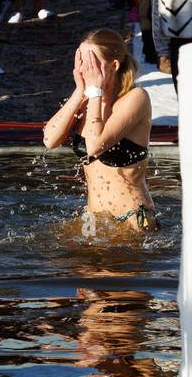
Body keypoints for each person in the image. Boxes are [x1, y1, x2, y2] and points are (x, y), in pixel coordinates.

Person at [42, 29, 156, 234]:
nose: (85, 68)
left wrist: (94, 92)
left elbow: (95, 146)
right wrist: (79, 92)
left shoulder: (136, 98)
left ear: (114, 65)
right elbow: (49, 140)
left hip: (131, 219)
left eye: (91, 62)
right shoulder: (85, 99)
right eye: (81, 60)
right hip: (93, 221)